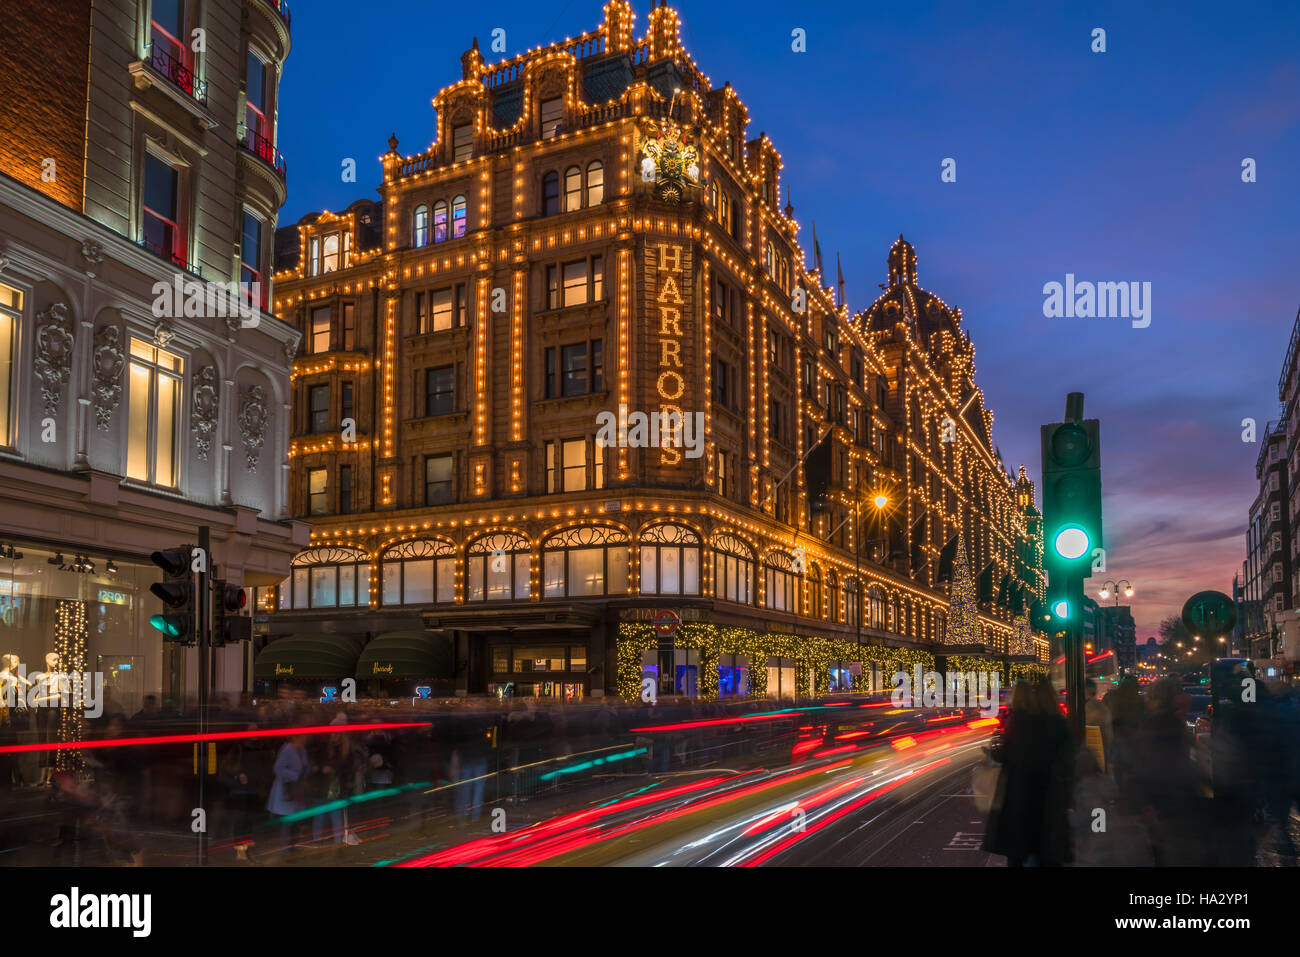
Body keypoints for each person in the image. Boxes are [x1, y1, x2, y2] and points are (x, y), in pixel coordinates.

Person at [982, 677, 1073, 866]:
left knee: (1017, 853)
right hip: (1050, 798)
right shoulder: (1058, 723)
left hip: (1019, 797)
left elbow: (1006, 755)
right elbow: (1068, 761)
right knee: (1048, 853)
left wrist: (993, 753)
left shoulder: (1019, 722)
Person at [266, 734, 310, 848]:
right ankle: (285, 848)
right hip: (287, 789)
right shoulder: (288, 749)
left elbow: (305, 766)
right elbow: (277, 768)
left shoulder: (302, 750)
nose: (305, 738)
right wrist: (295, 775)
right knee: (288, 821)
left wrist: (307, 773)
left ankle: (292, 846)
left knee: (295, 820)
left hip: (298, 790)